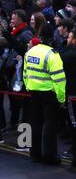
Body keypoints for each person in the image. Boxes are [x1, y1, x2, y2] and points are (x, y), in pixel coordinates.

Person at [21, 24, 66, 166]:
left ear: (39, 37)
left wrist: (29, 87)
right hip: (49, 94)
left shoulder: (30, 52)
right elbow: (59, 79)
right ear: (51, 38)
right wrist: (61, 98)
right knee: (49, 125)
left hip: (33, 92)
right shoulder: (53, 55)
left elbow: (25, 73)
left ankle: (35, 154)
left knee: (36, 123)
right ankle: (50, 156)